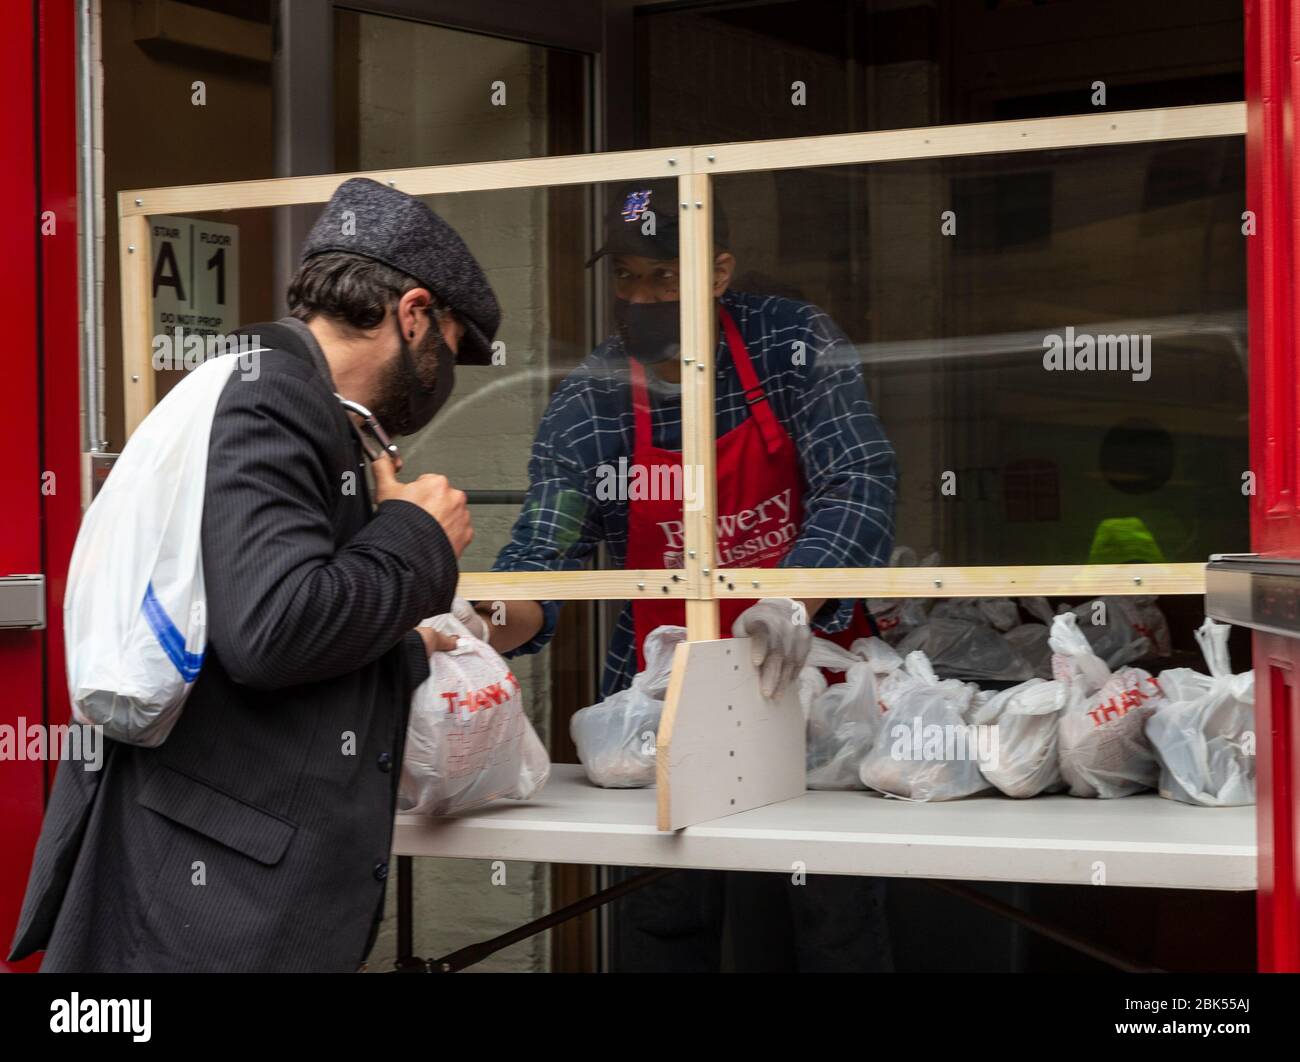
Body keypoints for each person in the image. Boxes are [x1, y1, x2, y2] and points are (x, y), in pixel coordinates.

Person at [8, 178, 496, 972]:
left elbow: (261, 622)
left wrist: (424, 644)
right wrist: (419, 536)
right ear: (412, 315)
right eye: (449, 340)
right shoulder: (273, 397)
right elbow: (273, 630)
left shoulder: (286, 395)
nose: (446, 369)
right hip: (211, 906)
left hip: (228, 888)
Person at [469, 180, 898, 971]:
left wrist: (787, 601)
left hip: (814, 687)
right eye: (627, 276)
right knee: (665, 922)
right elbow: (544, 552)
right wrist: (476, 628)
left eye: (663, 276)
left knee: (837, 921)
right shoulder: (592, 401)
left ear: (719, 271)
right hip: (660, 707)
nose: (641, 296)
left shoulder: (789, 346)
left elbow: (860, 480)